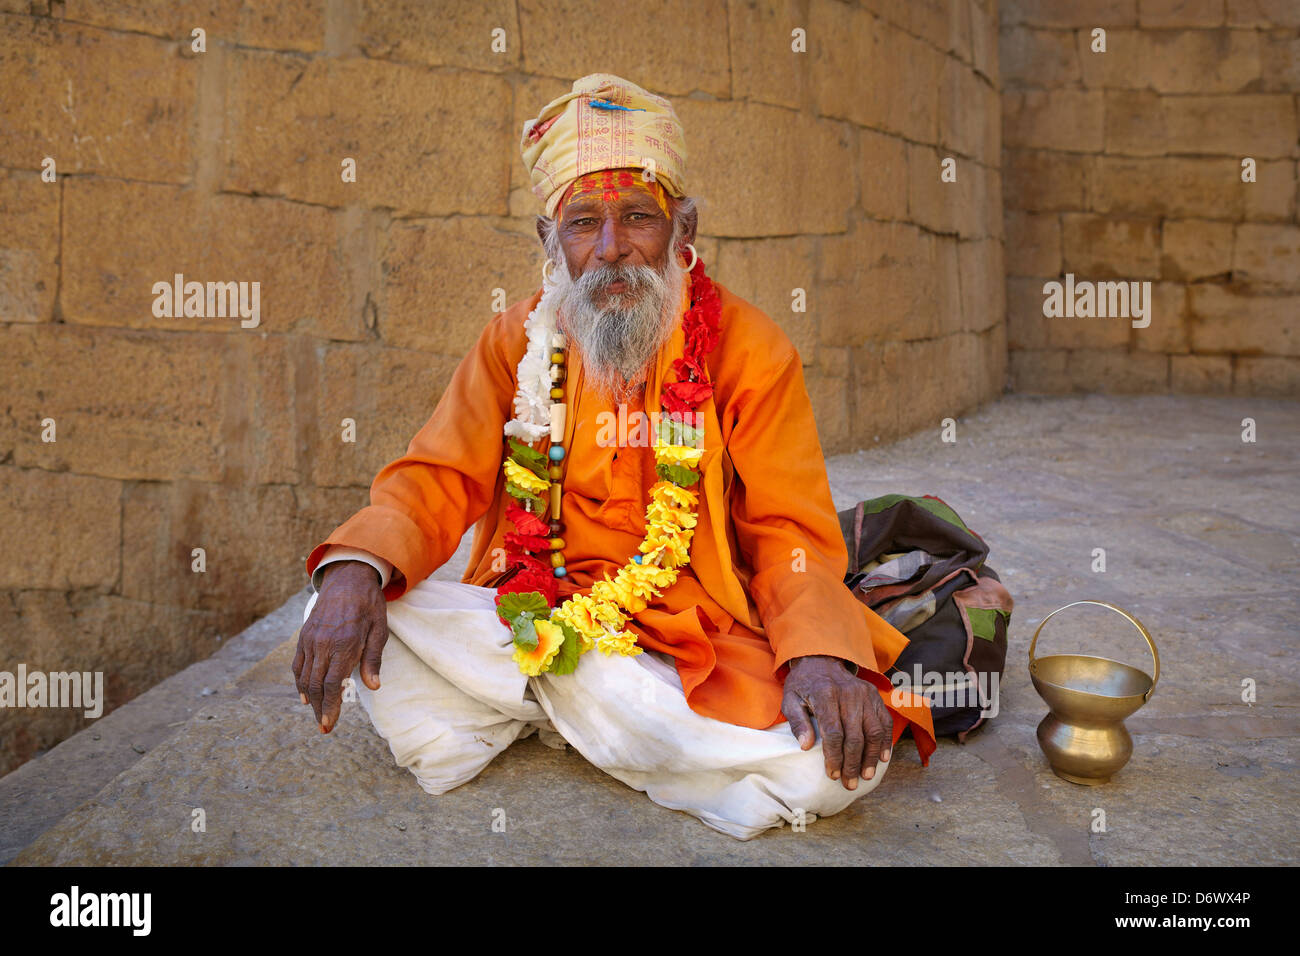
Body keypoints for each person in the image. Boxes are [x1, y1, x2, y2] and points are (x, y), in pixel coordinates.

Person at [295, 73, 934, 840]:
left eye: (638, 218)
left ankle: (562, 708)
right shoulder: (516, 342)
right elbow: (437, 477)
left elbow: (789, 530)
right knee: (357, 604)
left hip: (695, 639)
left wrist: (819, 655)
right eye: (582, 224)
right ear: (548, 242)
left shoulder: (750, 348)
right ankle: (603, 715)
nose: (610, 250)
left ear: (682, 227)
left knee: (827, 773)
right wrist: (357, 568)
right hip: (532, 609)